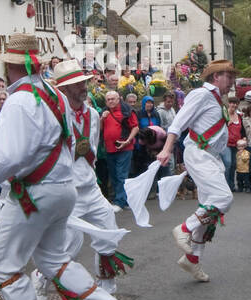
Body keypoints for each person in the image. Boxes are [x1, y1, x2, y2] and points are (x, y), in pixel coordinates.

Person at [0, 33, 131, 300]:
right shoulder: (54, 94)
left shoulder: (18, 101)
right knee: (54, 259)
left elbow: (6, 160)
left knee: (4, 265)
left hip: (32, 194)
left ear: (8, 66)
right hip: (64, 190)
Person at [51, 60, 134, 297]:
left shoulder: (93, 114)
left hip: (91, 188)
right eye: (77, 84)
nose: (83, 87)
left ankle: (106, 287)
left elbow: (92, 150)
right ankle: (41, 280)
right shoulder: (55, 116)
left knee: (108, 235)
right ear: (64, 90)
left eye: (84, 82)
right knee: (68, 248)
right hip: (68, 193)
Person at [156, 58, 237, 283]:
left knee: (209, 212)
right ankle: (184, 228)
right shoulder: (201, 94)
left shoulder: (217, 99)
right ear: (215, 77)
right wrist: (166, 150)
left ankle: (192, 261)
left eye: (232, 76)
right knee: (223, 198)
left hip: (210, 158)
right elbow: (178, 124)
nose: (232, 81)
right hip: (198, 154)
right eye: (228, 76)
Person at [101, 90, 139, 210]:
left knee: (121, 174)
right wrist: (102, 118)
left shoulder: (126, 110)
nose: (111, 101)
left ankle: (119, 202)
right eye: (108, 99)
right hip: (110, 148)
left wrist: (127, 141)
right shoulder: (104, 112)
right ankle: (124, 199)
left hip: (125, 147)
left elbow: (135, 127)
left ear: (118, 99)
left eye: (113, 99)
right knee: (114, 175)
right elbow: (100, 129)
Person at [223, 100, 243, 191]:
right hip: (226, 143)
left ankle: (231, 185)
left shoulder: (239, 116)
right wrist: (227, 124)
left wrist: (244, 138)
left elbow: (242, 130)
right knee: (228, 162)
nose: (234, 105)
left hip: (236, 144)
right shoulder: (224, 115)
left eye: (235, 103)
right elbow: (218, 128)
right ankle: (225, 185)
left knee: (234, 165)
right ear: (229, 104)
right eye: (232, 103)